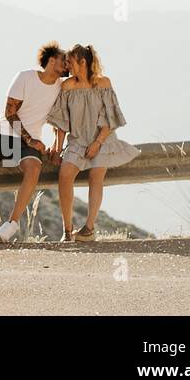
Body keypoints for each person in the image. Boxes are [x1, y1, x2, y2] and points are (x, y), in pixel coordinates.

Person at [0, 42, 68, 243]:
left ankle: (11, 225)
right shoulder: (25, 77)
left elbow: (61, 122)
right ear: (51, 60)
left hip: (27, 143)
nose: (67, 64)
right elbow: (10, 112)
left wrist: (57, 148)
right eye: (63, 59)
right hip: (2, 132)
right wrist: (29, 139)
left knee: (33, 169)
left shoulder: (62, 88)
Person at [48, 43, 139, 242]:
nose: (67, 67)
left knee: (96, 177)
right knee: (64, 176)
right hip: (77, 141)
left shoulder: (103, 83)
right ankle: (67, 229)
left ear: (82, 62)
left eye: (70, 62)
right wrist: (57, 147)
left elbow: (111, 118)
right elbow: (62, 122)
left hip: (103, 139)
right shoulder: (68, 86)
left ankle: (88, 228)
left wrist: (98, 143)